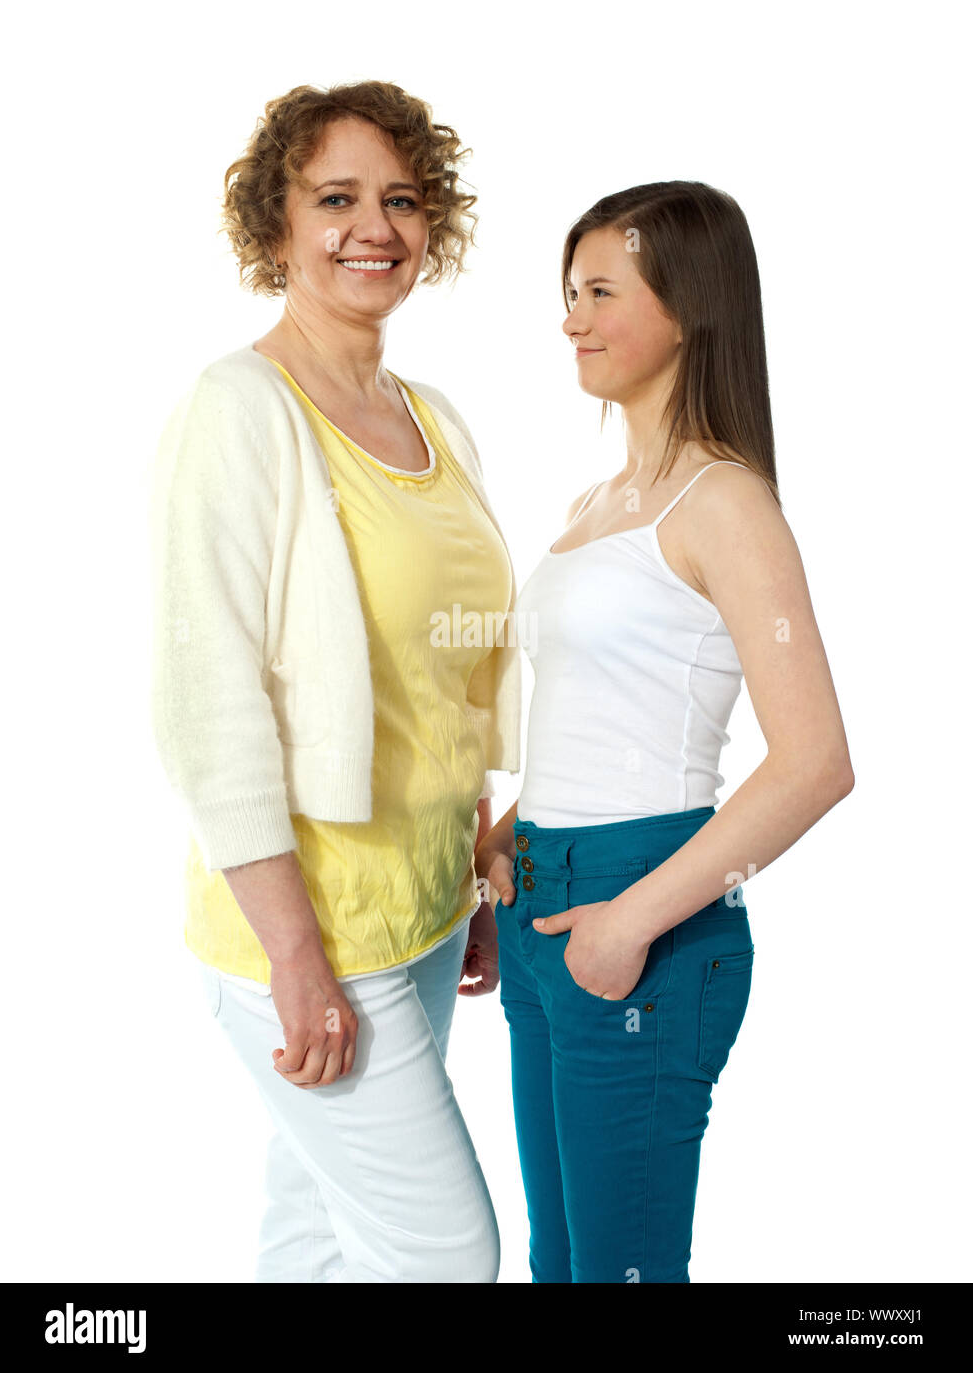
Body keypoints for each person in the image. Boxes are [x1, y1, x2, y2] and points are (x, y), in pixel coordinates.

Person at [148, 81, 520, 1283]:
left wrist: (467, 863)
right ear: (277, 228)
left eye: (402, 199)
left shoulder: (436, 420)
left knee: (320, 1229)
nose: (376, 226)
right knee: (448, 1255)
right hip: (307, 927)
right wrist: (294, 952)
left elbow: (449, 669)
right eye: (337, 198)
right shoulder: (241, 409)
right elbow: (209, 702)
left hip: (413, 905)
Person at [475, 181, 855, 1284]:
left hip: (647, 906)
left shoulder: (723, 503)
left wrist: (632, 917)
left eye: (600, 290)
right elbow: (593, 712)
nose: (571, 318)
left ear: (686, 307)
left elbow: (817, 762)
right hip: (551, 899)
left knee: (618, 1273)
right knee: (564, 1265)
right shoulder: (599, 504)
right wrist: (509, 838)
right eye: (568, 291)